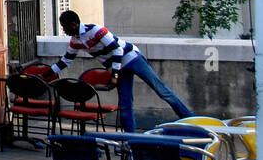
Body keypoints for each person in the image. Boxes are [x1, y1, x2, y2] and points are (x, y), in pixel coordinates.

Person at [46, 10, 193, 132]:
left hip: (131, 58)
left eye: (65, 27)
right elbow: (65, 60)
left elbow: (117, 49)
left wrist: (114, 76)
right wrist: (45, 74)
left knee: (161, 90)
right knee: (125, 103)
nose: (64, 30)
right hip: (117, 67)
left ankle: (191, 120)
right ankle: (131, 139)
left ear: (74, 24)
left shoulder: (96, 31)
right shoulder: (75, 41)